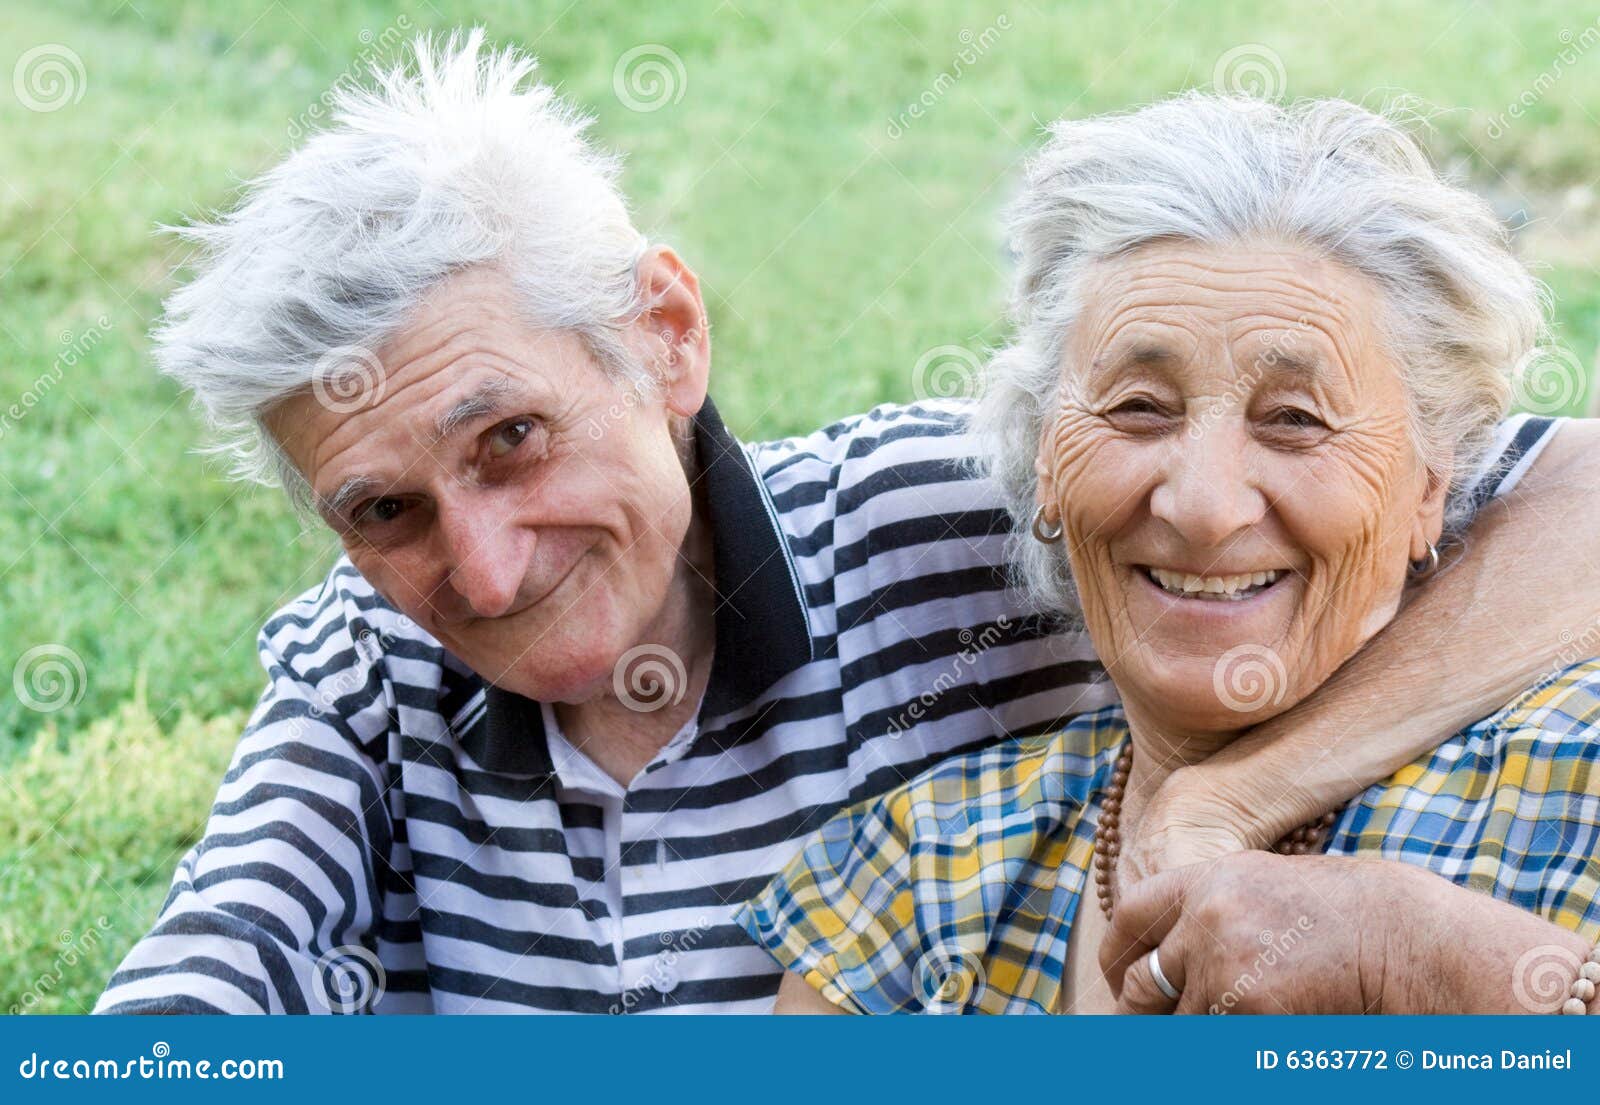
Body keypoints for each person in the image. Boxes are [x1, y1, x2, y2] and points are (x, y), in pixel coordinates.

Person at [98, 35, 1600, 1014]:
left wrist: (1262, 820)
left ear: (665, 339)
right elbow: (202, 983)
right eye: (385, 509)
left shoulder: (943, 508)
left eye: (514, 440)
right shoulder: (923, 865)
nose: (486, 570)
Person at [740, 92, 1600, 1015]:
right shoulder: (916, 875)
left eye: (1295, 419)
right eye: (1139, 408)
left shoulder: (1574, 783)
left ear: (1429, 487)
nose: (1203, 507)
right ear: (1047, 461)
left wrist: (1412, 958)